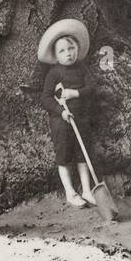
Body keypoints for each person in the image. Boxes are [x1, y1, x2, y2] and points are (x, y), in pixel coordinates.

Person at [35, 18, 97, 208]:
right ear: (55, 56)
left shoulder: (82, 69)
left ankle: (87, 190)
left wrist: (75, 93)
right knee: (64, 155)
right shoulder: (54, 74)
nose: (68, 54)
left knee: (82, 154)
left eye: (71, 49)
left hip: (82, 118)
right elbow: (45, 98)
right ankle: (70, 192)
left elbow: (92, 88)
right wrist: (61, 111)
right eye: (62, 51)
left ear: (77, 49)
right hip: (62, 122)